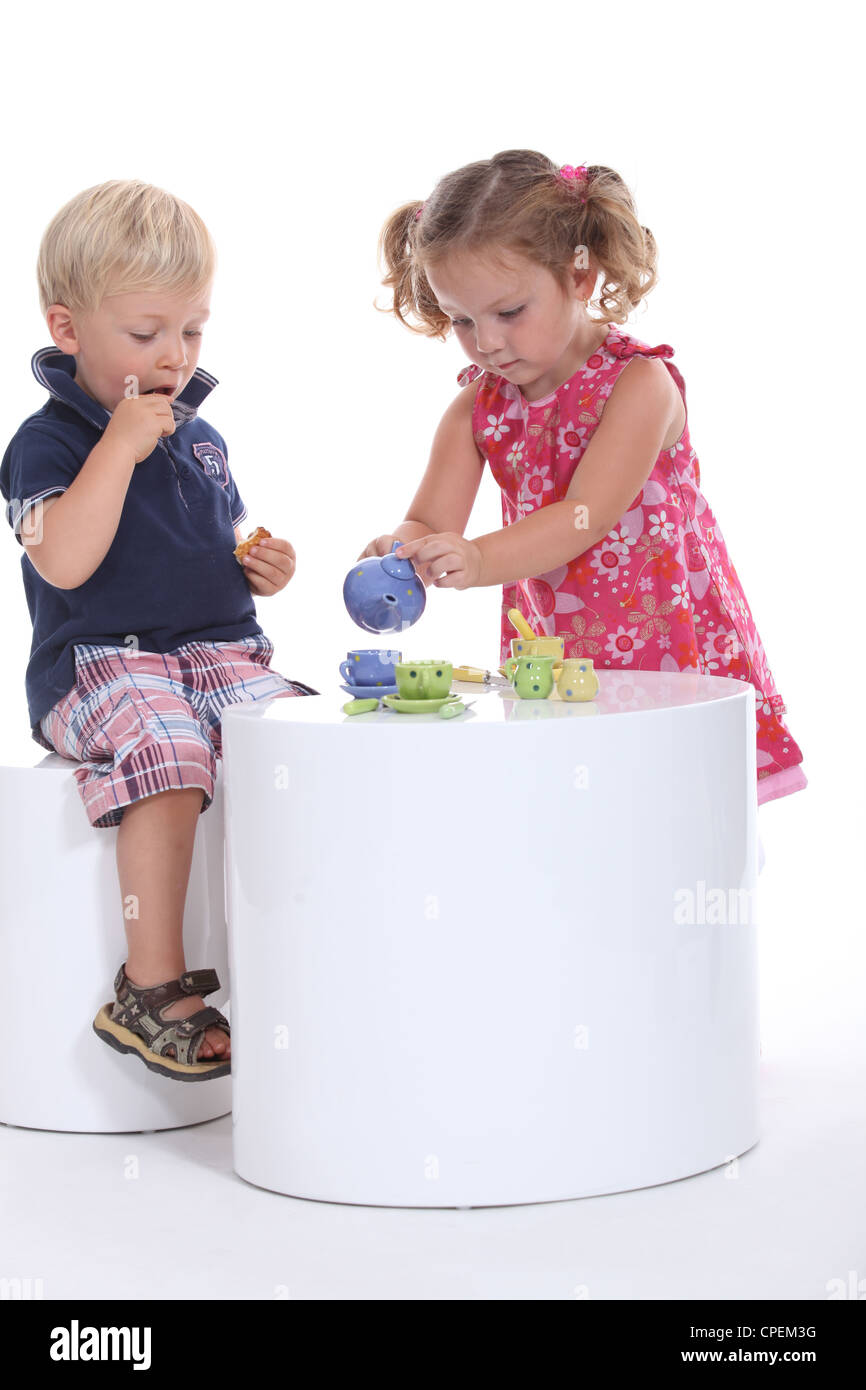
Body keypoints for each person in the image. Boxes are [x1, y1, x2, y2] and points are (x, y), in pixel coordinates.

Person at [361, 149, 805, 812]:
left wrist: (479, 558)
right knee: (579, 820)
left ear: (579, 274)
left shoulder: (638, 385)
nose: (484, 342)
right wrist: (402, 551)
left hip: (666, 648)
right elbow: (431, 519)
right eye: (461, 320)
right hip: (556, 661)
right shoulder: (478, 408)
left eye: (508, 311)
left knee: (681, 818)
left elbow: (586, 515)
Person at [0, 180, 316, 1082]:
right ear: (68, 330)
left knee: (298, 745)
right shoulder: (46, 442)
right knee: (171, 756)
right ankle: (151, 988)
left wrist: (262, 560)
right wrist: (116, 448)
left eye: (192, 330)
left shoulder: (199, 435)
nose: (175, 356)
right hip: (99, 664)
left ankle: (297, 955)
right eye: (147, 335)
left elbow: (225, 533)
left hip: (216, 652)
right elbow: (58, 559)